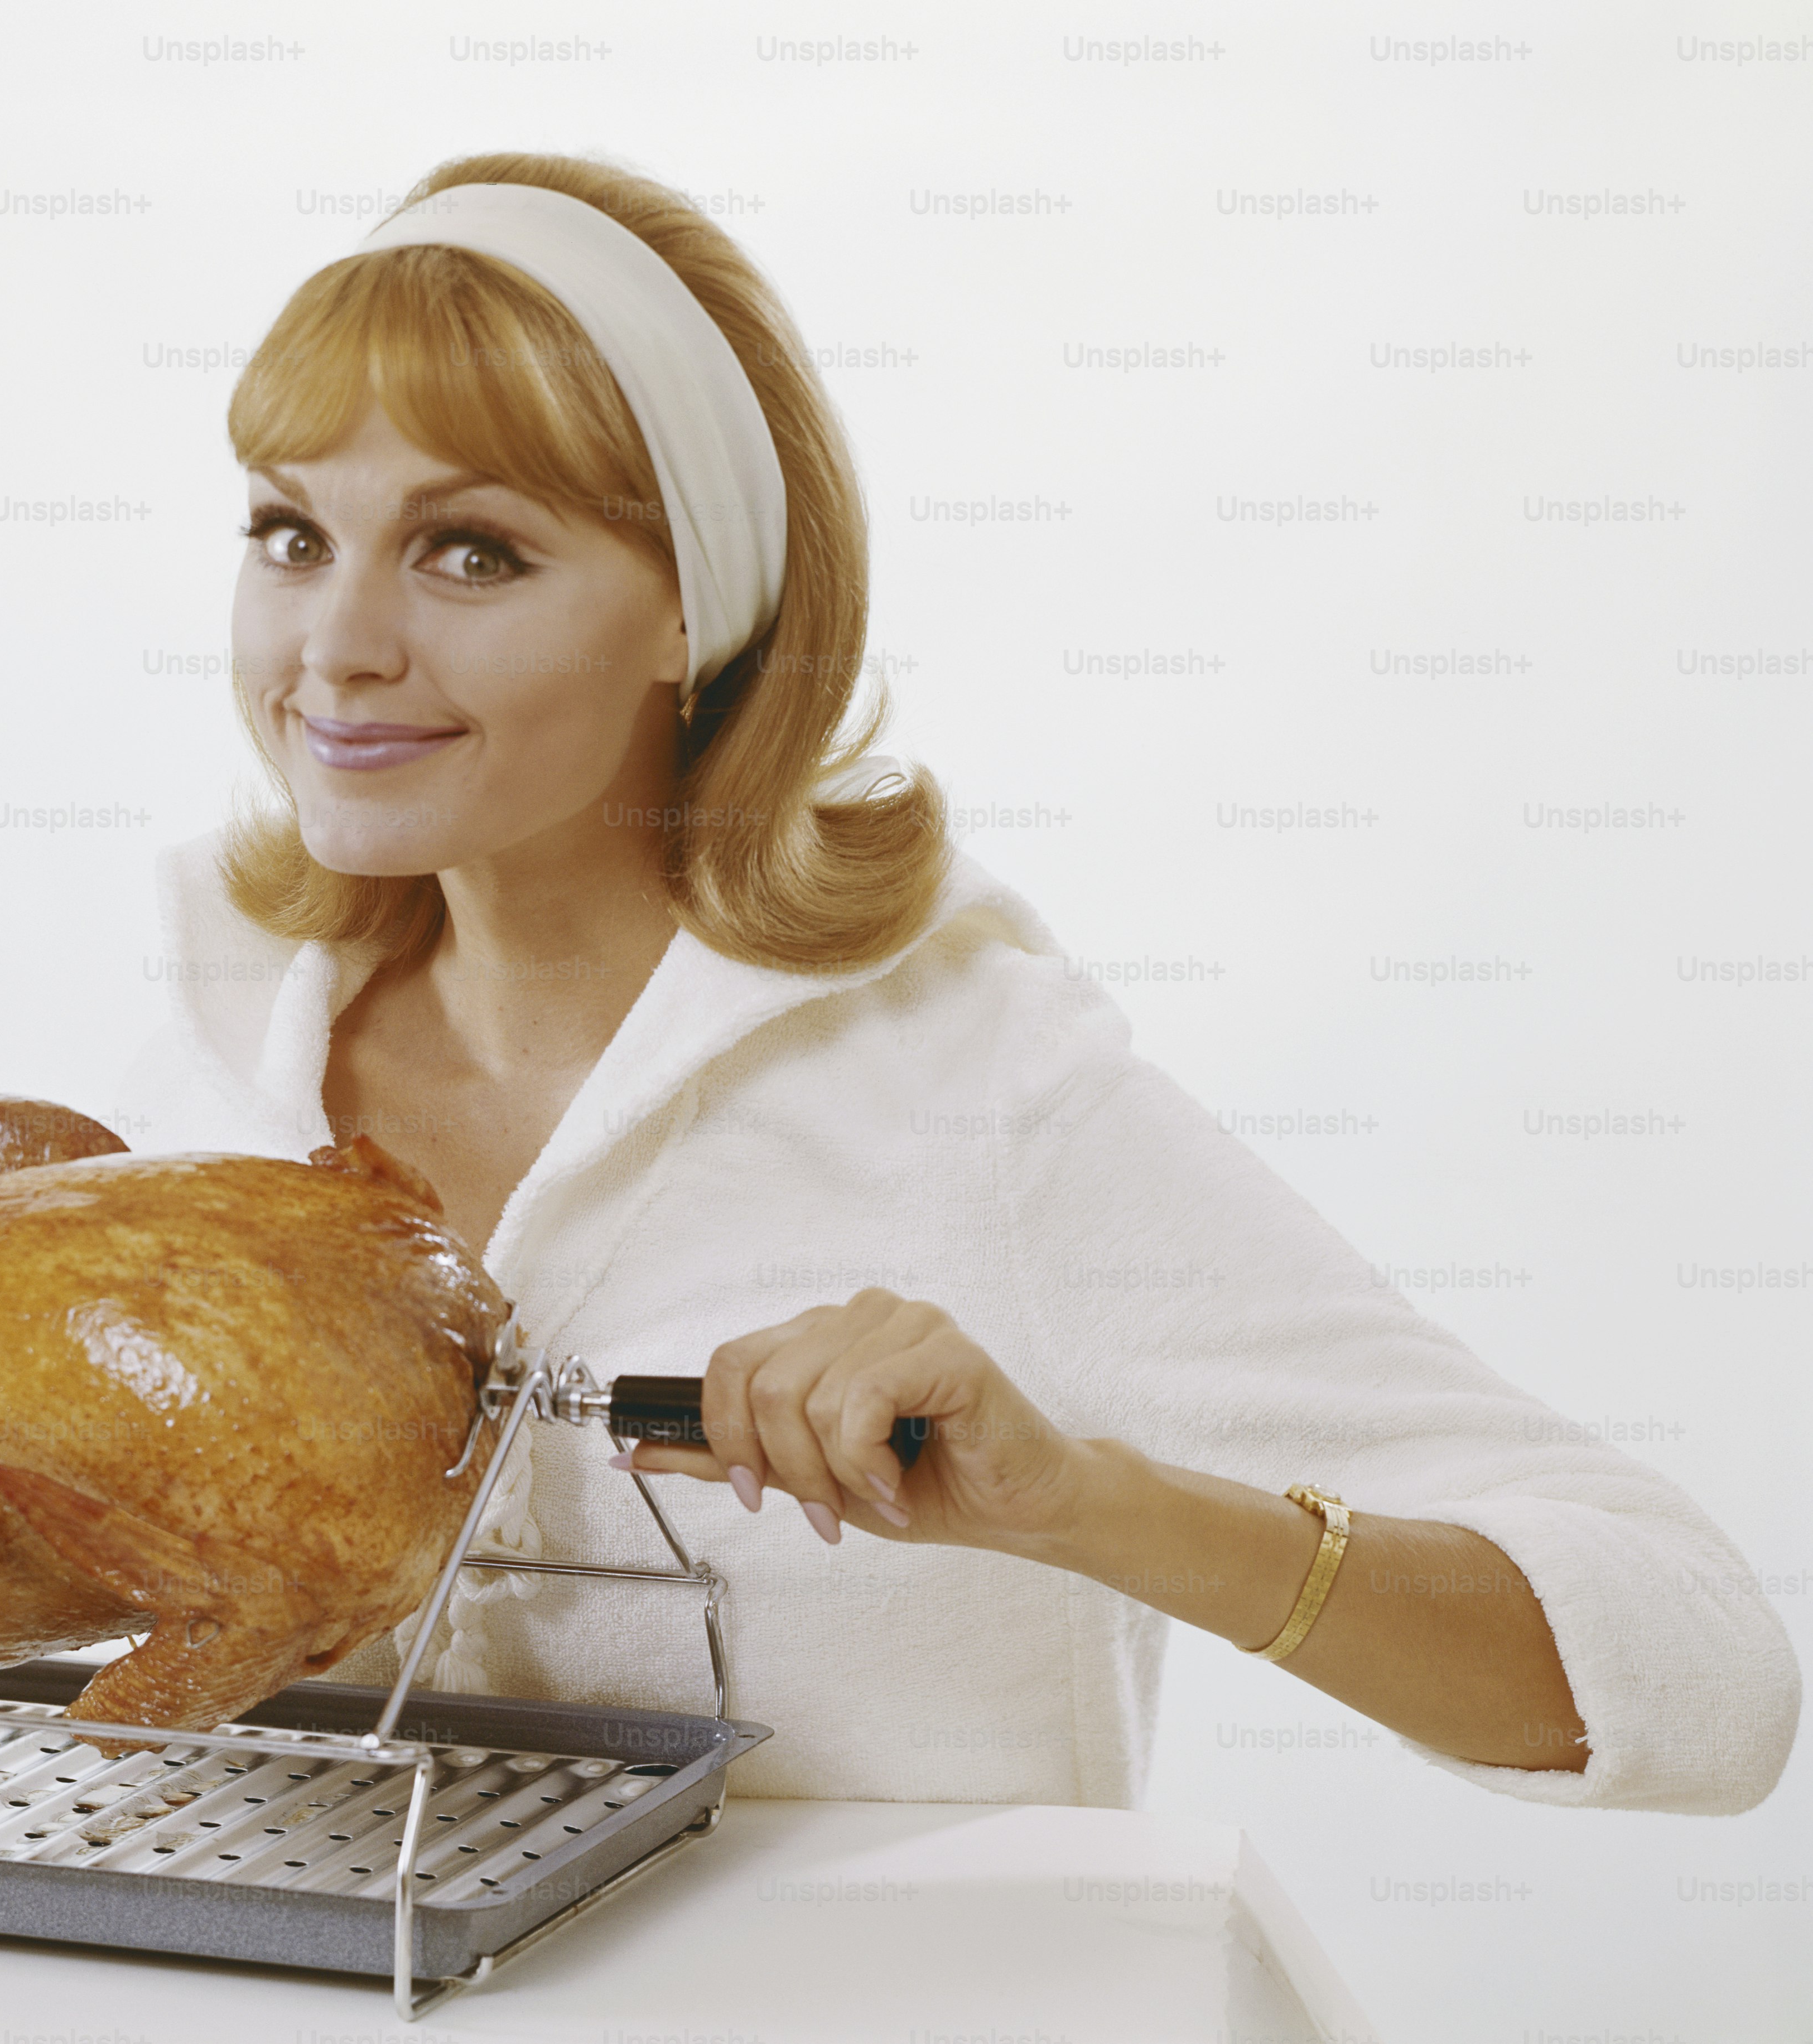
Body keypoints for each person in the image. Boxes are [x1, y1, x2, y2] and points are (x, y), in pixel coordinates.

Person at [109, 151, 1799, 1811]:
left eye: (472, 552)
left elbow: (1711, 1677)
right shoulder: (218, 1063)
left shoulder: (977, 1091)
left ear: (695, 609)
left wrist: (1083, 1503)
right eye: (289, 534)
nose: (336, 647)